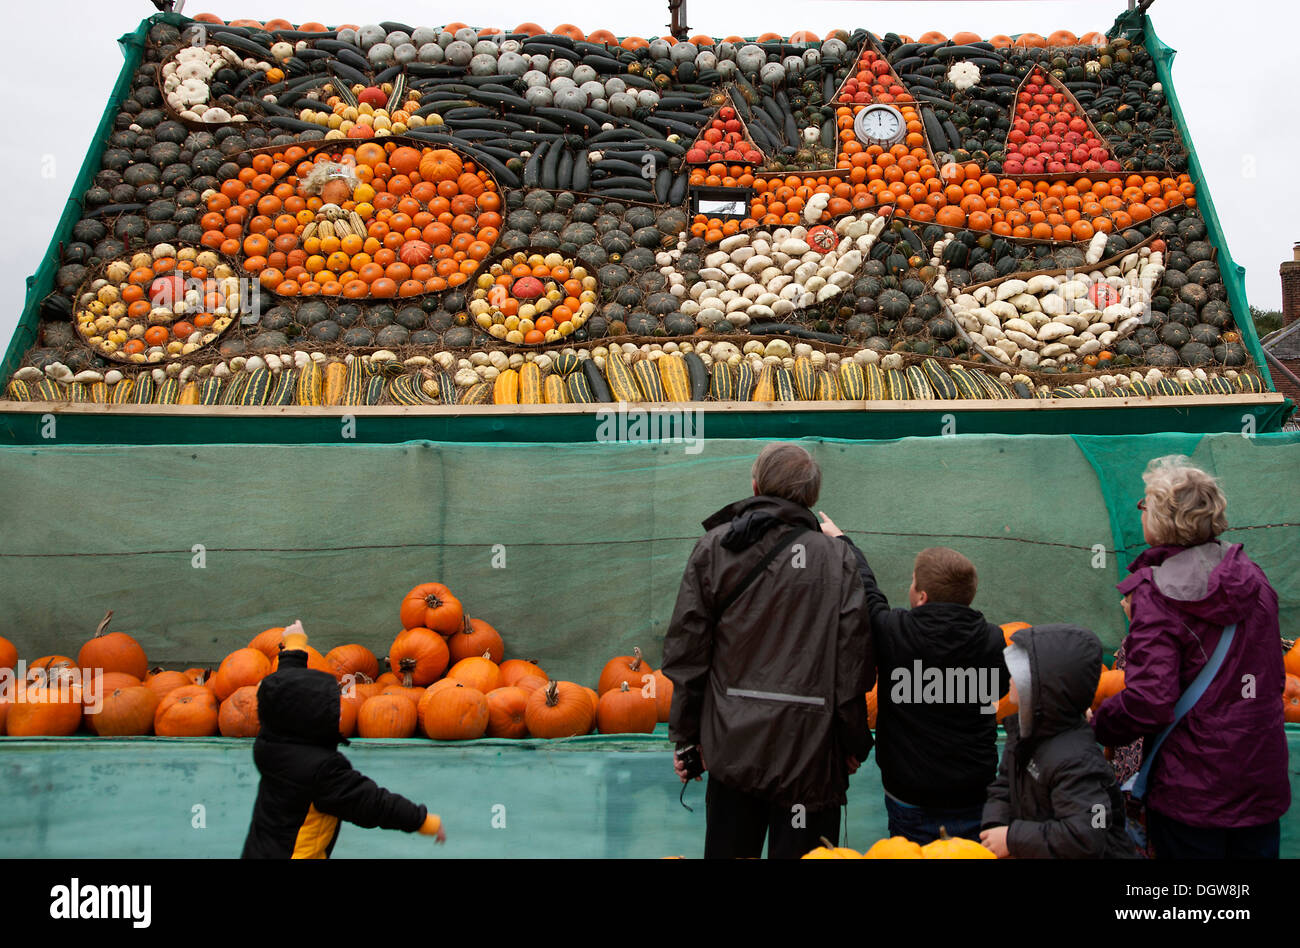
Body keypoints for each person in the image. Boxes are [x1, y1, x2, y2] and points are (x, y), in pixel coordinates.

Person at [661, 443, 874, 859]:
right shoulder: (838, 559)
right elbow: (853, 663)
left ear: (755, 485)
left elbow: (687, 653)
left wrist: (687, 739)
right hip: (810, 756)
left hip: (732, 747)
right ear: (812, 498)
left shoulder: (716, 548)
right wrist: (852, 742)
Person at [1090, 456, 1290, 859]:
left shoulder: (1156, 593)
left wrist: (1100, 725)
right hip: (1259, 777)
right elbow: (1270, 678)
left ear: (1162, 519)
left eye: (1145, 505)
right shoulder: (1254, 578)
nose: (1141, 513)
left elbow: (1149, 699)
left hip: (1191, 791)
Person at [816, 540, 1006, 844]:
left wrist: (846, 544)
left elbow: (869, 594)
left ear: (921, 596)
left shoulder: (895, 631)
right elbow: (1000, 689)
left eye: (913, 581)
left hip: (909, 795)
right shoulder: (992, 640)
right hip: (974, 792)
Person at [241, 621, 446, 858]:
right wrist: (421, 821)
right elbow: (371, 803)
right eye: (330, 707)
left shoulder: (270, 743)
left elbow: (281, 694)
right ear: (311, 719)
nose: (339, 710)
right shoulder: (322, 770)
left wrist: (293, 649)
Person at [980, 624, 1137, 858]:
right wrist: (995, 825)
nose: (1009, 679)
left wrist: (1012, 838)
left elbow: (1089, 833)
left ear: (1043, 687)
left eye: (1018, 673)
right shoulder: (1024, 733)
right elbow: (1004, 785)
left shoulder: (1081, 762)